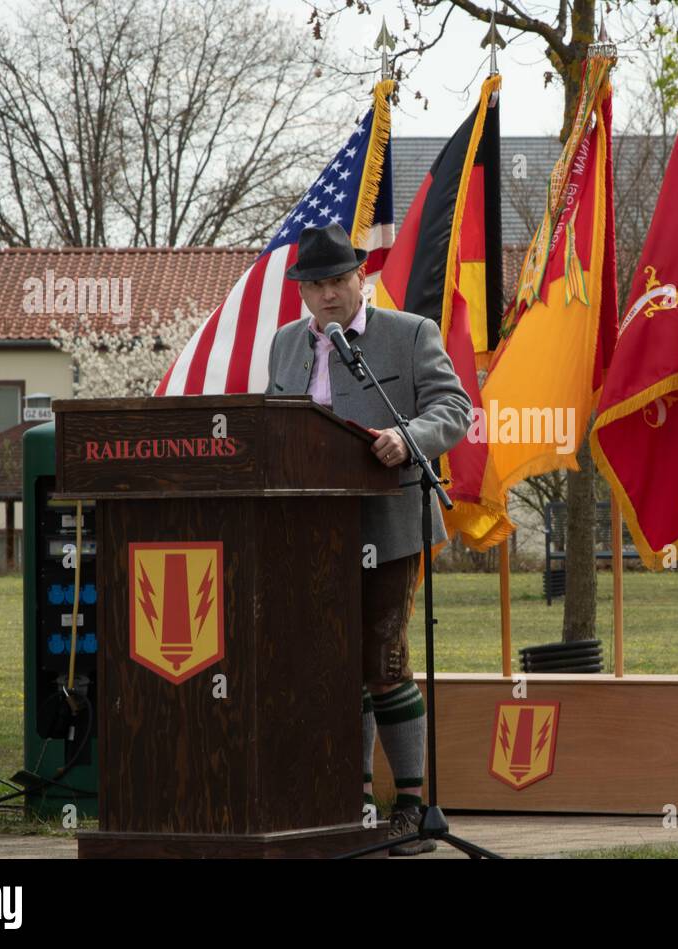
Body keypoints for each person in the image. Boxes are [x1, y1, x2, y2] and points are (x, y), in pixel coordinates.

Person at [265, 223, 471, 855]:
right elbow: (274, 424)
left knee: (382, 660)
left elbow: (454, 408)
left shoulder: (410, 334)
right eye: (314, 284)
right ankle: (349, 801)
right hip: (310, 532)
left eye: (337, 281)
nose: (326, 295)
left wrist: (407, 438)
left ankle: (410, 806)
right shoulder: (283, 345)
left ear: (361, 278)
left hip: (390, 523)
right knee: (333, 662)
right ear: (301, 291)